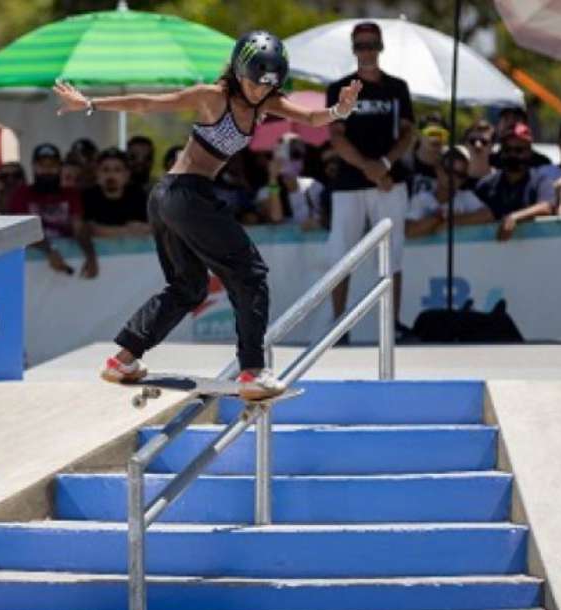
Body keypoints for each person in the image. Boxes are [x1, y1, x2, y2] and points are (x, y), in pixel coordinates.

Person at [53, 29, 360, 399]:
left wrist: (341, 109)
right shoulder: (213, 96)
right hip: (184, 194)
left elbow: (312, 119)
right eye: (253, 82)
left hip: (171, 198)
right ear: (238, 71)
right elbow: (149, 105)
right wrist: (90, 104)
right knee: (250, 275)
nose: (259, 91)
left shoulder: (267, 103)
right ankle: (252, 371)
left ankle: (123, 359)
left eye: (268, 85)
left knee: (188, 287)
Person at [325, 21, 414, 338]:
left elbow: (408, 132)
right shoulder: (339, 88)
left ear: (380, 47)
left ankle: (391, 325)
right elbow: (336, 136)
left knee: (393, 253)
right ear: (353, 49)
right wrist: (369, 168)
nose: (366, 51)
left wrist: (386, 164)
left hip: (390, 180)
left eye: (371, 44)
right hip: (351, 182)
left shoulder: (397, 88)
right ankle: (338, 326)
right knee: (342, 255)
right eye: (360, 45)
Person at [7, 143, 99, 278]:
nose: (47, 170)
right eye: (42, 166)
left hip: (69, 264)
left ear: (60, 167)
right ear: (33, 166)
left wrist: (91, 256)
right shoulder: (21, 194)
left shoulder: (71, 194)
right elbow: (22, 230)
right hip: (30, 269)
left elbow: (78, 226)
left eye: (52, 166)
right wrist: (49, 251)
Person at [473, 123, 561, 241]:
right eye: (507, 150)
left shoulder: (541, 180)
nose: (512, 155)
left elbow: (546, 207)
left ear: (529, 152)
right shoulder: (485, 185)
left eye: (519, 150)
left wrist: (514, 217)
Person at [405, 146, 493, 238]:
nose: (453, 177)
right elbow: (409, 231)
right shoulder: (421, 198)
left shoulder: (466, 197)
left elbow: (488, 215)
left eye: (460, 174)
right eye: (449, 170)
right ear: (437, 169)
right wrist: (441, 217)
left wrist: (452, 221)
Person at [256, 133, 324, 228]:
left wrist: (318, 222)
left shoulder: (314, 186)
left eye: (297, 156)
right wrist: (273, 178)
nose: (293, 161)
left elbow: (327, 217)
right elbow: (276, 217)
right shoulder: (265, 192)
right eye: (289, 156)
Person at [82, 147, 150, 237]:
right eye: (105, 170)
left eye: (117, 170)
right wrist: (127, 231)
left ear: (127, 175)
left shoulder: (138, 195)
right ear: (97, 173)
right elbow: (88, 230)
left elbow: (149, 229)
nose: (111, 175)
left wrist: (106, 231)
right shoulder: (87, 196)